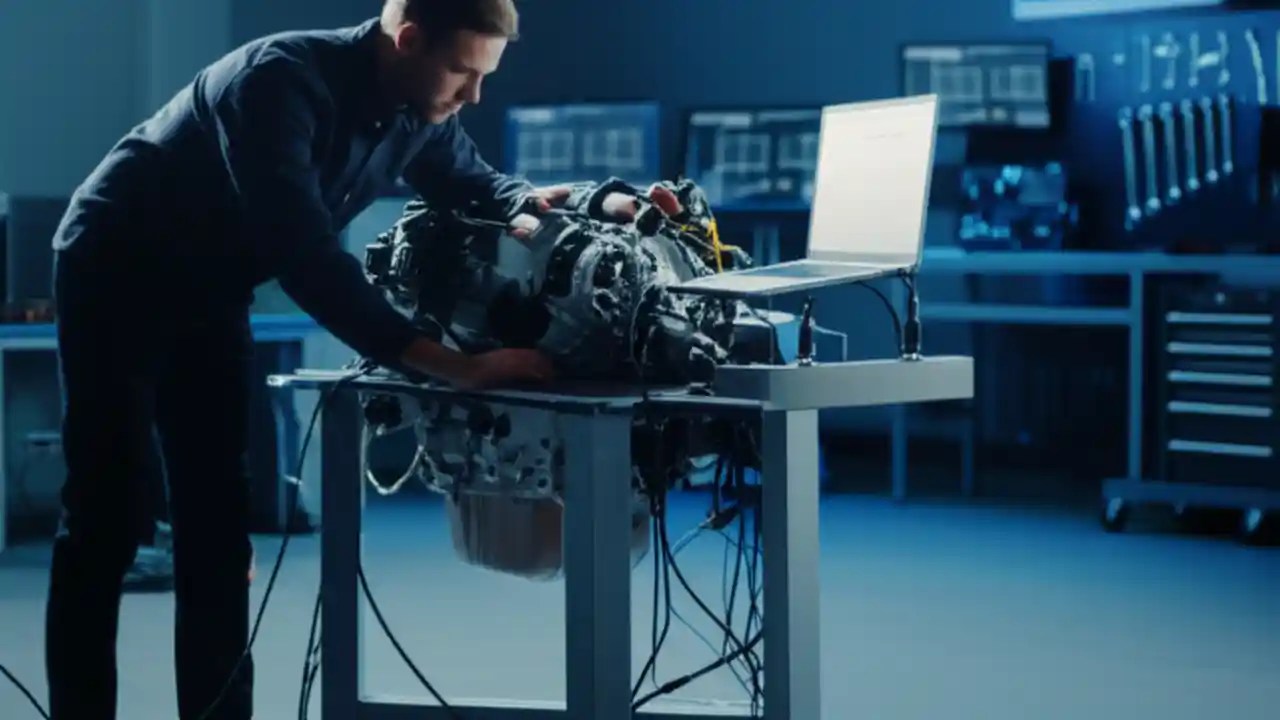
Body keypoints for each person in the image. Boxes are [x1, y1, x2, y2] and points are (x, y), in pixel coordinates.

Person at [44, 1, 640, 717]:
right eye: (462, 72)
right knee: (108, 514)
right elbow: (308, 260)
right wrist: (455, 367)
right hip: (116, 269)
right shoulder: (277, 82)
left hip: (211, 286)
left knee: (218, 522)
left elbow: (480, 186)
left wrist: (596, 204)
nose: (474, 95)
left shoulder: (420, 107)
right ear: (408, 39)